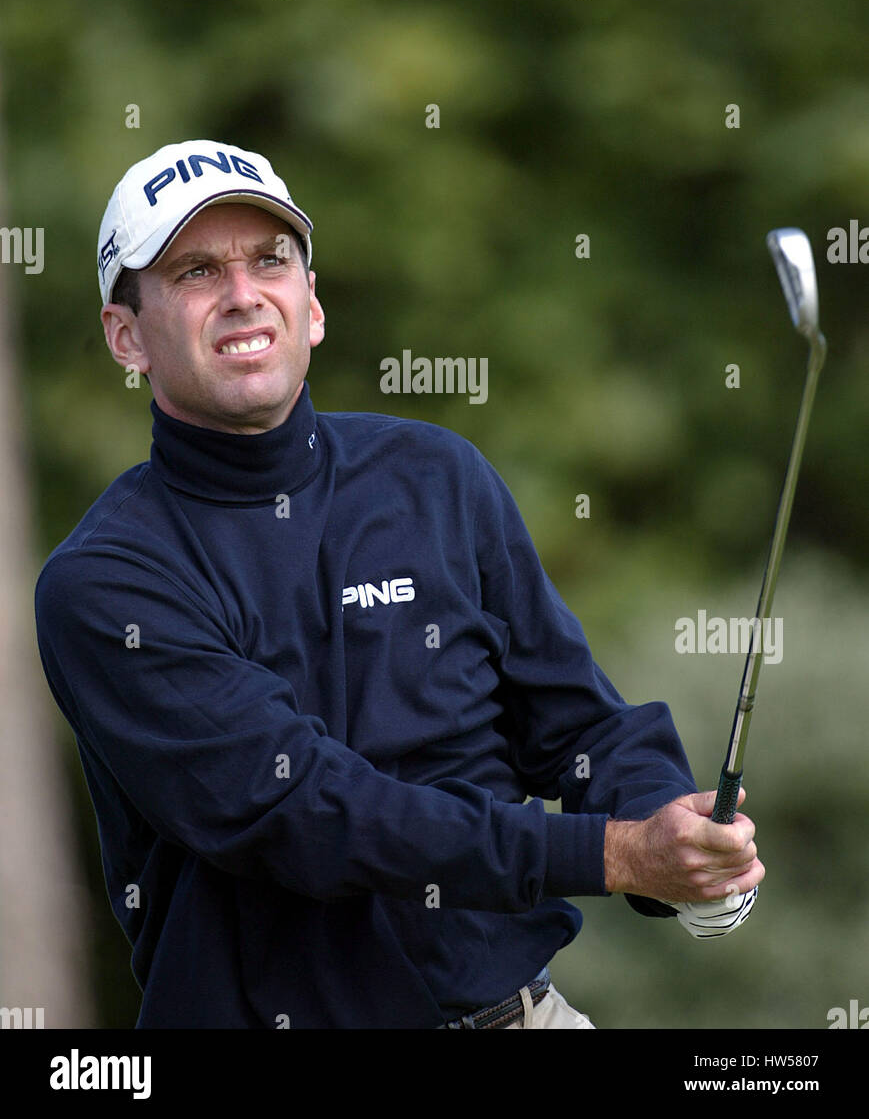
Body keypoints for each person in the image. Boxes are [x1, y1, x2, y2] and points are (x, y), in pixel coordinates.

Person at [34, 139, 763, 1030]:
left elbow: (578, 724)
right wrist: (615, 856)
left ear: (313, 304)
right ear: (126, 337)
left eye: (271, 259)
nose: (241, 294)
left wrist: (672, 831)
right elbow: (310, 811)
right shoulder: (107, 581)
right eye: (194, 272)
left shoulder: (434, 476)